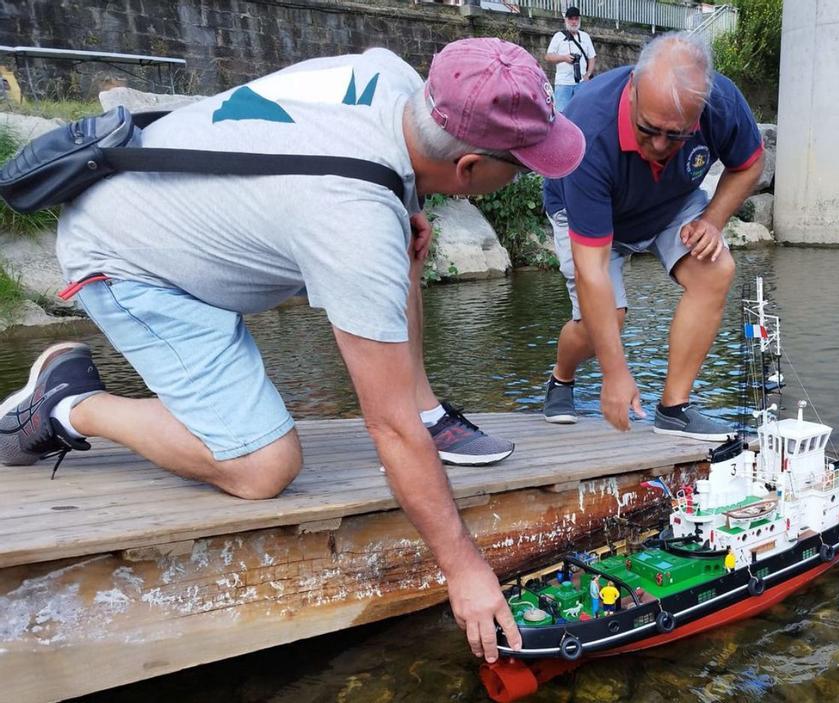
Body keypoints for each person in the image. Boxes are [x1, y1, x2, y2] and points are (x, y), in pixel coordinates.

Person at [0, 38, 585, 663]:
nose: (524, 174)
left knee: (402, 245)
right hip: (124, 256)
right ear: (468, 168)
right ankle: (67, 405)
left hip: (172, 207)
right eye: (520, 165)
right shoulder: (352, 219)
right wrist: (464, 568)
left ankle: (430, 413)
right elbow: (385, 427)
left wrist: (405, 212)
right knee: (263, 468)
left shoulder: (391, 80)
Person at [540, 33, 764, 440]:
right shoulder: (587, 129)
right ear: (632, 94)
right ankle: (562, 378)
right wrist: (614, 373)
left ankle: (674, 408)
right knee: (604, 320)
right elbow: (592, 272)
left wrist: (712, 220)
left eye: (677, 136)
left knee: (716, 271)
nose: (660, 145)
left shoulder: (721, 102)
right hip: (587, 210)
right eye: (650, 130)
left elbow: (749, 163)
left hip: (669, 203)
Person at [544, 6, 596, 112]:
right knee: (562, 115)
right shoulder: (558, 36)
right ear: (566, 20)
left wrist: (588, 74)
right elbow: (548, 57)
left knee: (581, 112)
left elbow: (592, 57)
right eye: (571, 19)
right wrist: (564, 58)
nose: (573, 22)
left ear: (579, 20)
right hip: (563, 83)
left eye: (576, 19)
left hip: (581, 83)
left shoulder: (585, 37)